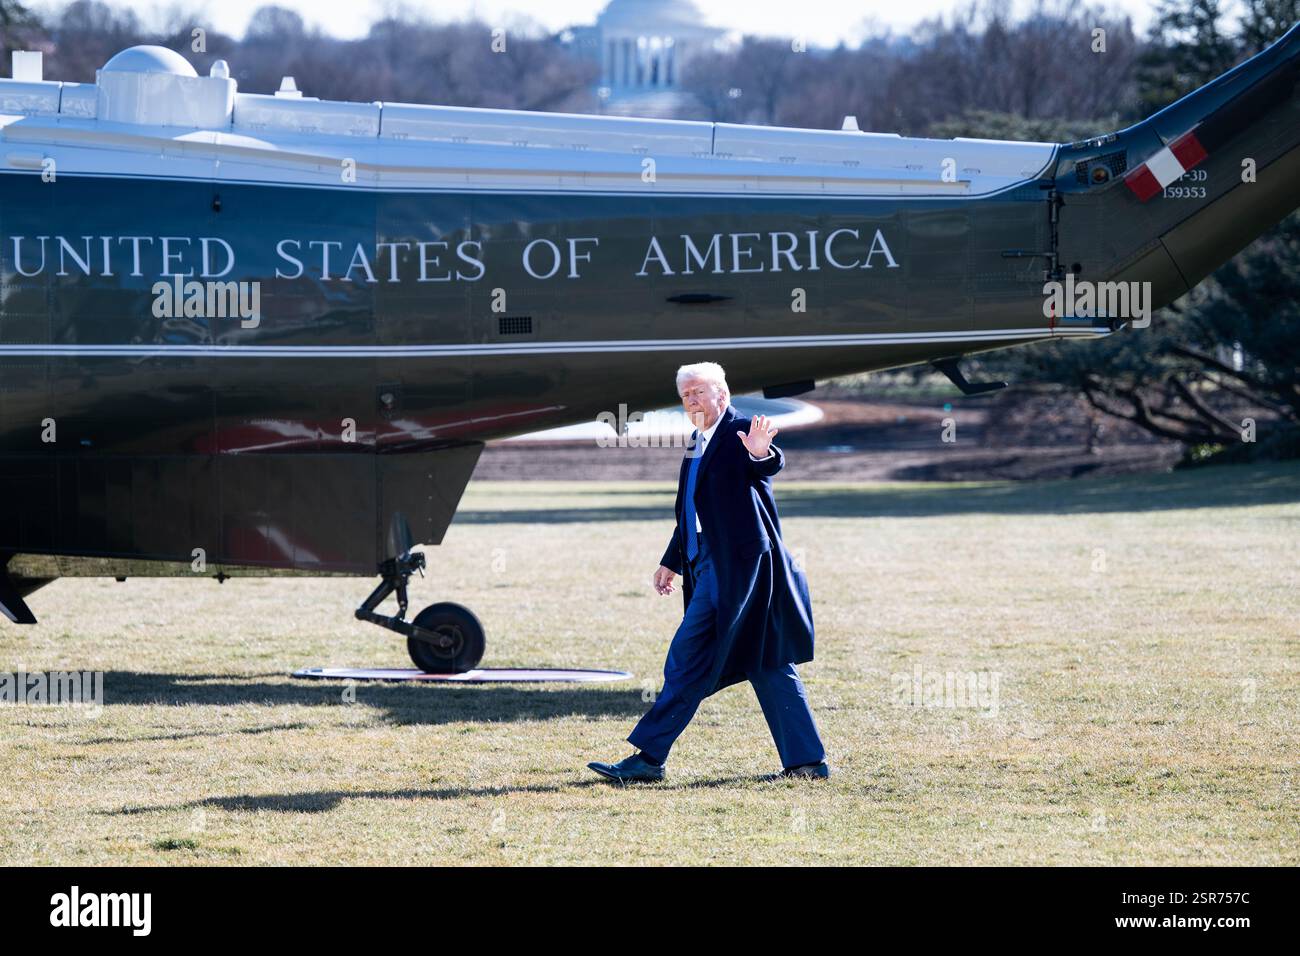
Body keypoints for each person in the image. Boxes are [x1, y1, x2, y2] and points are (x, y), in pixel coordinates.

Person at [587, 361, 828, 783]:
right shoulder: (698, 440)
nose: (692, 400)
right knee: (766, 661)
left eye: (699, 391)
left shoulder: (739, 433)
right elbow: (691, 513)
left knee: (688, 657)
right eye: (685, 395)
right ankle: (807, 763)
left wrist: (760, 452)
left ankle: (648, 759)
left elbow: (765, 466)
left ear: (722, 392)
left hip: (741, 571)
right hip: (708, 566)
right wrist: (671, 560)